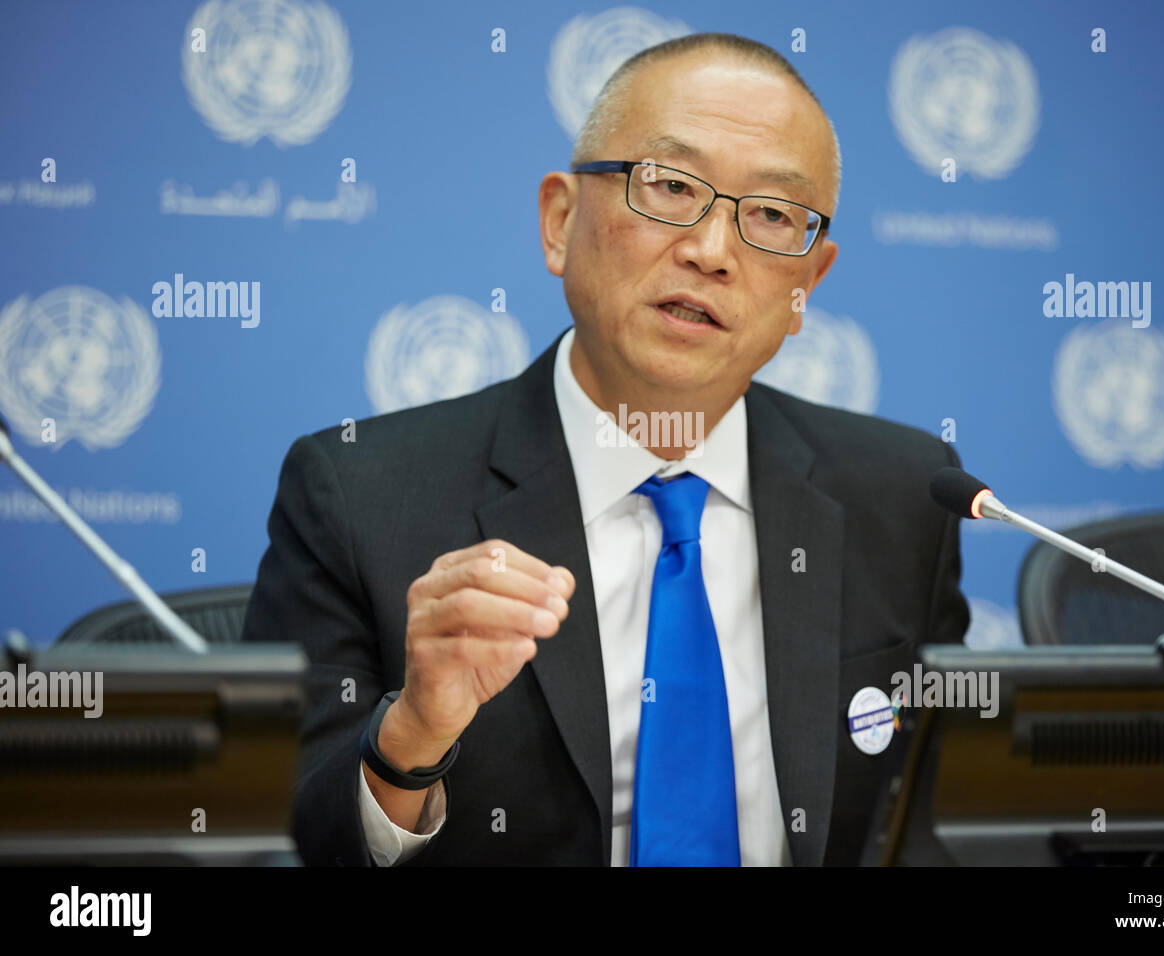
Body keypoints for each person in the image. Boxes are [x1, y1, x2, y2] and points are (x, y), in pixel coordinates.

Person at [241, 32, 970, 867]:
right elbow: (277, 840)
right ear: (560, 221)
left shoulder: (907, 496)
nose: (712, 251)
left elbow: (933, 826)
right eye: (670, 186)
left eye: (772, 215)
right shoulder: (359, 497)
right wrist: (411, 734)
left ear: (808, 285)